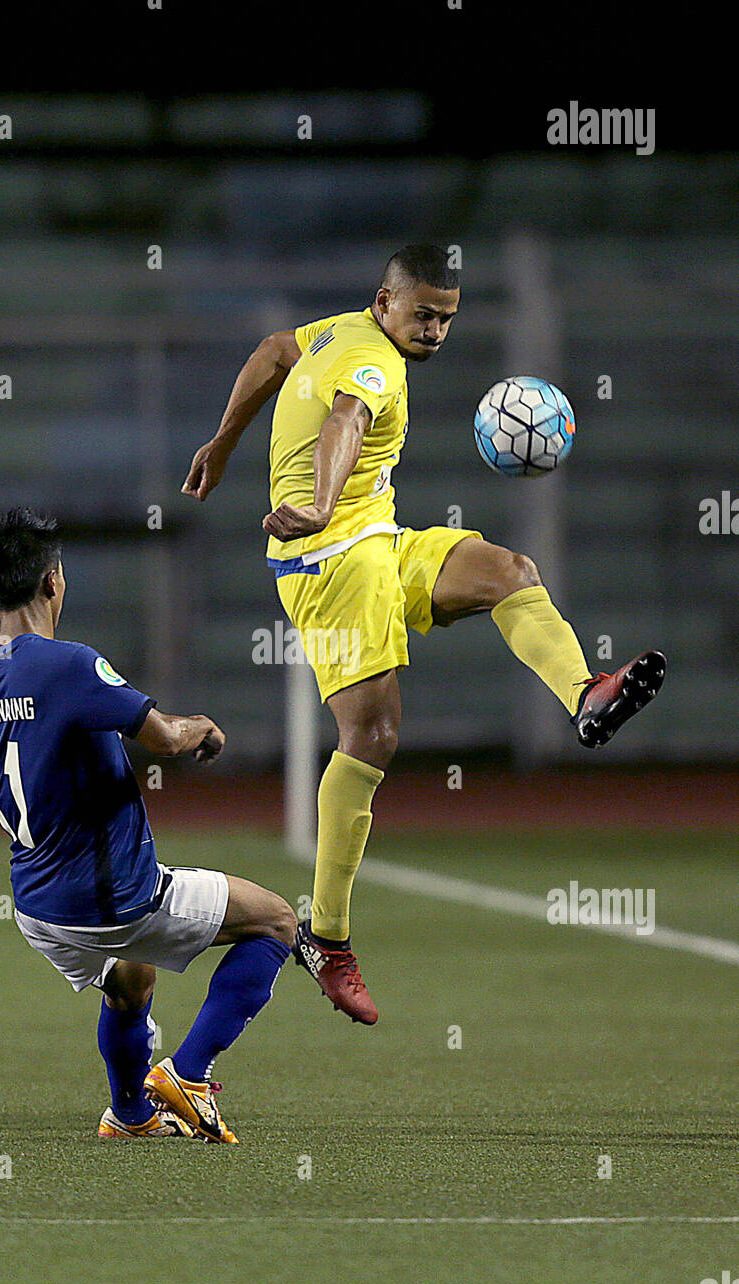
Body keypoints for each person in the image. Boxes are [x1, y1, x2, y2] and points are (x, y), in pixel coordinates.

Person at [181, 243, 666, 1025]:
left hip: (377, 540)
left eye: (447, 318)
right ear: (385, 302)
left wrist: (225, 443)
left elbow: (273, 352)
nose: (436, 330)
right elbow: (348, 417)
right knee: (371, 734)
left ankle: (586, 693)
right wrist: (319, 500)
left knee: (508, 570)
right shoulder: (376, 364)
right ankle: (327, 938)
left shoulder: (335, 331)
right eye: (424, 314)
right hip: (328, 559)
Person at [0, 507, 296, 1143]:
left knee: (132, 975)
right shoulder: (70, 664)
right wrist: (202, 727)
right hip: (112, 898)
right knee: (277, 920)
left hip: (36, 908)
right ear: (54, 581)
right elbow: (165, 737)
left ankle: (131, 1114)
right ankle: (189, 1075)